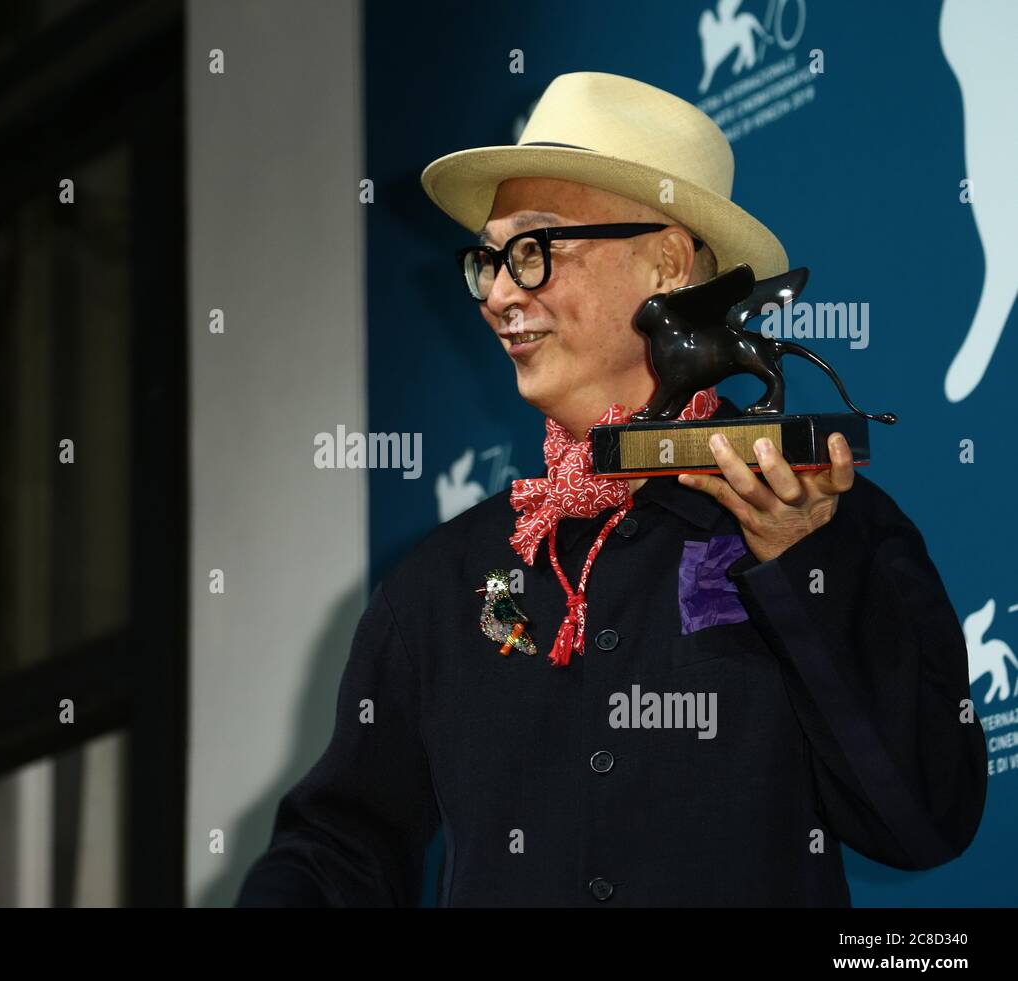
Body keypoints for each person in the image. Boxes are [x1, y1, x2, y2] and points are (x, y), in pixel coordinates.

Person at [236, 72, 986, 906]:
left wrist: (805, 570)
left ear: (664, 261)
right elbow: (340, 846)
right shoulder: (440, 585)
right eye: (487, 260)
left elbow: (923, 820)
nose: (497, 293)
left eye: (533, 250)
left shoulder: (832, 525)